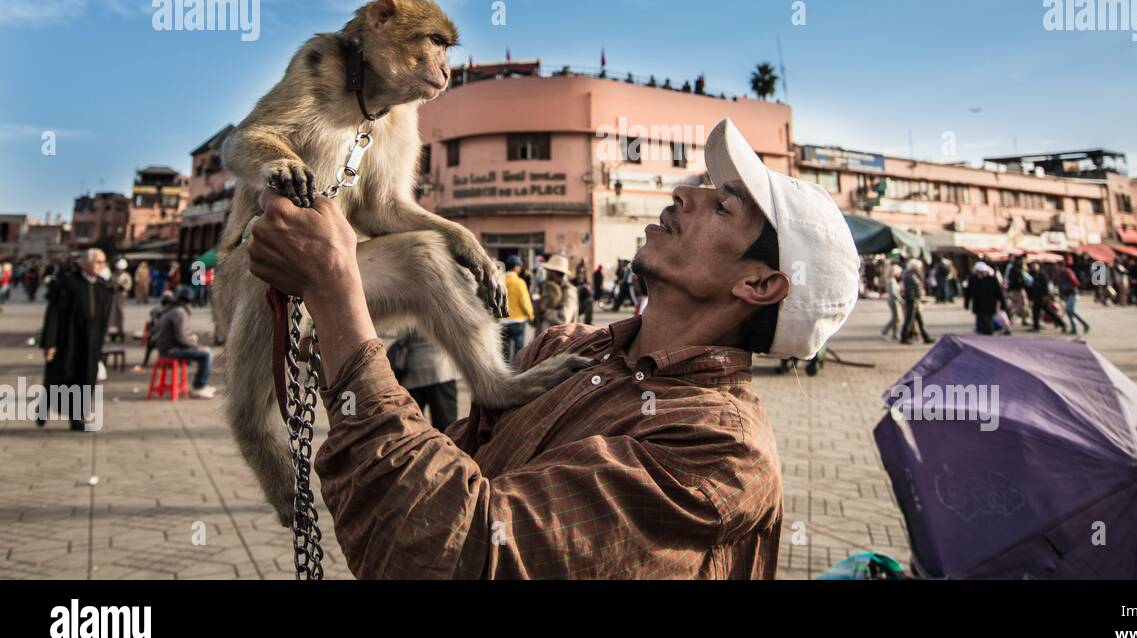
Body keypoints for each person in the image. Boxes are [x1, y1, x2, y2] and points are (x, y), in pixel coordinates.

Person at [244, 116, 860, 578]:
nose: (685, 195)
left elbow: (449, 549)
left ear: (758, 283)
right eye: (701, 186)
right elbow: (424, 476)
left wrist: (339, 300)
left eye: (722, 206)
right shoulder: (568, 352)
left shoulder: (718, 451)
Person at [38, 250, 112, 431]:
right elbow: (53, 315)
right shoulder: (67, 284)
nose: (101, 265)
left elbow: (104, 317)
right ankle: (44, 406)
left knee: (86, 377)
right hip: (68, 339)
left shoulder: (102, 287)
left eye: (103, 262)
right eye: (97, 262)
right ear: (85, 264)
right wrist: (50, 343)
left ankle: (77, 417)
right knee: (61, 375)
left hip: (91, 341)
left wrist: (101, 343)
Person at [387, 329, 459, 431]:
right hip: (441, 372)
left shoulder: (409, 314)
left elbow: (402, 338)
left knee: (412, 429)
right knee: (447, 429)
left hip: (413, 375)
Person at [152, 286, 217, 398]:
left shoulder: (172, 309)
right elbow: (181, 338)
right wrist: (196, 346)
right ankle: (199, 387)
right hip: (170, 350)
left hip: (166, 347)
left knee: (204, 351)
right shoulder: (179, 312)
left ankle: (200, 385)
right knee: (207, 354)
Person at [500, 255, 533, 365]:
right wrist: (531, 315)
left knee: (505, 350)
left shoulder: (499, 281)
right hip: (518, 321)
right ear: (515, 267)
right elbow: (524, 301)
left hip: (502, 320)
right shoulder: (519, 282)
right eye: (519, 266)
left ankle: (506, 372)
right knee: (519, 350)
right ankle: (518, 371)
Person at [535, 255, 579, 329]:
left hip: (561, 338)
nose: (547, 273)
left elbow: (563, 317)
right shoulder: (550, 288)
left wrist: (544, 312)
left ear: (553, 272)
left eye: (548, 271)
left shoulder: (568, 291)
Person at [964, 261, 1007, 335]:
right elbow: (968, 292)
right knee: (981, 320)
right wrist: (966, 303)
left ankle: (989, 333)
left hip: (989, 304)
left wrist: (1003, 303)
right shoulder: (973, 279)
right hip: (978, 304)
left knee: (988, 321)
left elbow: (998, 293)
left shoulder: (992, 280)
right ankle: (984, 331)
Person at [899, 258, 931, 344]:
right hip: (912, 301)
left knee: (919, 321)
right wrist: (914, 301)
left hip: (915, 301)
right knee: (908, 320)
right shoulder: (909, 276)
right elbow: (910, 290)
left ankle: (926, 337)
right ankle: (904, 337)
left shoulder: (912, 275)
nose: (920, 268)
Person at [1058, 261, 1091, 335]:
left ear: (1061, 266)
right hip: (1066, 294)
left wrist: (1068, 288)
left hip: (1072, 294)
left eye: (1057, 266)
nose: (1056, 268)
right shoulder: (1060, 274)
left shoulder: (1068, 272)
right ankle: (1076, 327)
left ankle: (1084, 325)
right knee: (1070, 312)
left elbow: (1076, 283)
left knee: (1070, 310)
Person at [107, 258, 131, 343]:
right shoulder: (113, 275)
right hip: (113, 297)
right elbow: (109, 284)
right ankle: (112, 333)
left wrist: (121, 287)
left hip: (121, 297)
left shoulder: (126, 276)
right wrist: (112, 287)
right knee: (112, 315)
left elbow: (128, 286)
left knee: (120, 314)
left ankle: (120, 332)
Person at [881, 263, 902, 339]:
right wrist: (901, 300)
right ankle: (888, 332)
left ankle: (893, 333)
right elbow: (894, 293)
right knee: (896, 317)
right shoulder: (891, 281)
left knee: (896, 317)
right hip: (894, 301)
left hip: (893, 300)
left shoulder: (892, 280)